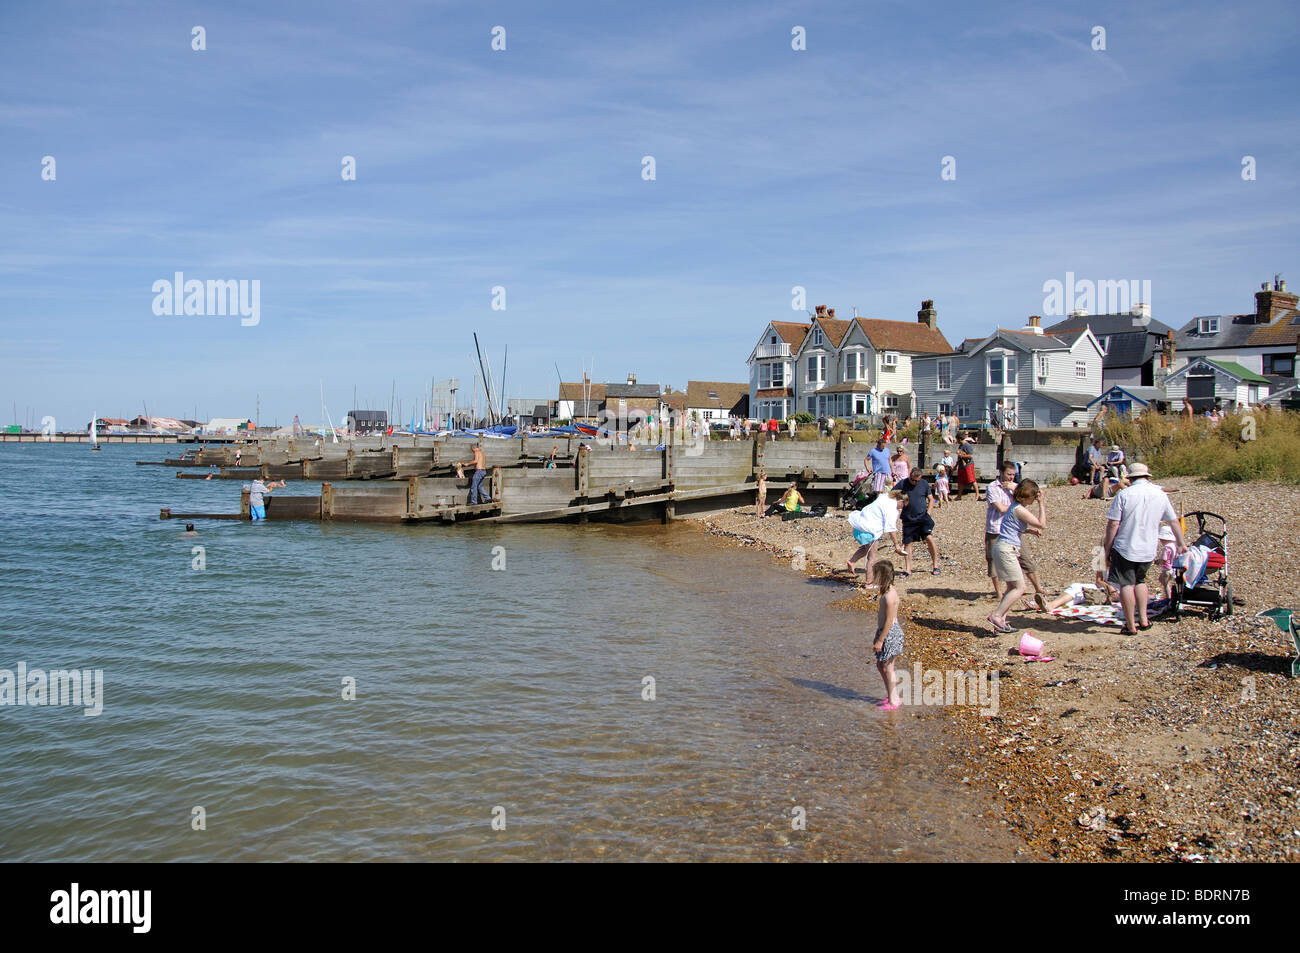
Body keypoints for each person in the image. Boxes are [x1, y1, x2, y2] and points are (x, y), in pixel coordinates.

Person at [1102, 463, 1187, 635]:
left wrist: (1106, 547)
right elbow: (1173, 521)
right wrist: (1181, 542)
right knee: (1140, 581)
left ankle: (1130, 625)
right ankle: (1144, 620)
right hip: (1148, 547)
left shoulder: (1124, 494)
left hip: (1126, 545)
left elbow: (1113, 524)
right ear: (1147, 477)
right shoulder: (1160, 495)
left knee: (1126, 584)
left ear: (1131, 478)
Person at [987, 479, 1047, 632]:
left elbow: (1011, 526)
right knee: (1020, 588)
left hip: (1003, 548)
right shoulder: (1019, 509)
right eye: (1034, 498)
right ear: (1028, 496)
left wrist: (1028, 531)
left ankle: (999, 623)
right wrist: (1042, 504)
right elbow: (1042, 524)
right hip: (1006, 549)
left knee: (1011, 588)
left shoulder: (1014, 507)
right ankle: (996, 616)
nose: (1034, 500)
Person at [845, 490, 906, 579]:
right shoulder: (892, 509)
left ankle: (852, 561)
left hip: (859, 525)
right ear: (901, 501)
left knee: (867, 548)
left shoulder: (885, 497)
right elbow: (891, 529)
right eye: (903, 506)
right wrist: (897, 546)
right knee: (872, 558)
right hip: (869, 531)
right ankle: (869, 583)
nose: (902, 508)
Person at [893, 467, 940, 576]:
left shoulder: (923, 484)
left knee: (929, 538)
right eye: (913, 480)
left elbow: (931, 499)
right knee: (907, 543)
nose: (915, 482)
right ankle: (908, 569)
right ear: (910, 476)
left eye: (917, 481)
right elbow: (892, 495)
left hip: (922, 517)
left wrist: (928, 513)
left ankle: (935, 565)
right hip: (908, 518)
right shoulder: (903, 483)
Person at [870, 560, 904, 710]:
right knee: (881, 665)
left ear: (882, 575)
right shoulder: (887, 591)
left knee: (887, 667)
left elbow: (889, 620)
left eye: (876, 574)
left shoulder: (889, 595)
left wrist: (881, 640)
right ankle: (892, 695)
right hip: (885, 632)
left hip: (890, 633)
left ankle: (893, 700)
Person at [984, 460, 1017, 600]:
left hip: (1012, 529)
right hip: (995, 528)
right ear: (1001, 473)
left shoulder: (1015, 487)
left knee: (1019, 559)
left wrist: (1014, 489)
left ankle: (1036, 588)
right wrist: (1016, 508)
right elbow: (1001, 508)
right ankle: (998, 592)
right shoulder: (992, 487)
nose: (1011, 477)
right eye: (1009, 474)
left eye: (1013, 475)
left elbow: (1029, 498)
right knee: (993, 561)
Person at [1045, 570, 1119, 611]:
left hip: (1121, 591)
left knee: (1081, 597)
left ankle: (1048, 605)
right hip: (1105, 588)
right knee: (1076, 587)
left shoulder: (1124, 558)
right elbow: (1098, 581)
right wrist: (1109, 587)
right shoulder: (1102, 558)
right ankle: (1050, 605)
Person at [1156, 523, 1178, 601]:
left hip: (1167, 569)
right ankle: (1170, 597)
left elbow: (1164, 559)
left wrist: (1158, 561)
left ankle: (1169, 598)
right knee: (1163, 581)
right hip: (1173, 568)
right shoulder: (1174, 546)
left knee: (1166, 584)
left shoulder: (1166, 547)